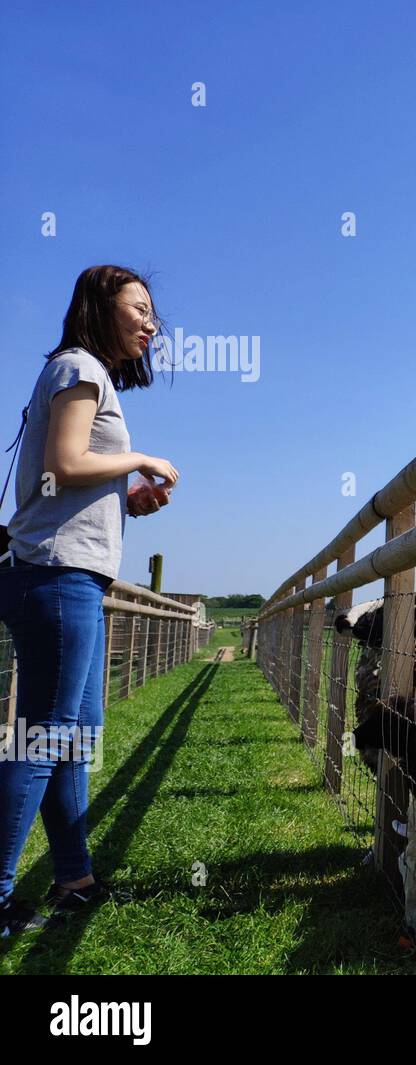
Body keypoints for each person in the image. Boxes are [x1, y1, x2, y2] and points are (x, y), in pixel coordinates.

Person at [0, 264, 179, 936]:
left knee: (74, 737)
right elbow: (66, 461)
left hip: (70, 573)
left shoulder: (81, 371)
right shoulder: (80, 367)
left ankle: (74, 880)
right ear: (99, 307)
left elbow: (64, 481)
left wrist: (128, 501)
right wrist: (142, 460)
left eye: (154, 315)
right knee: (44, 735)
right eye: (140, 309)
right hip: (57, 575)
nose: (151, 324)